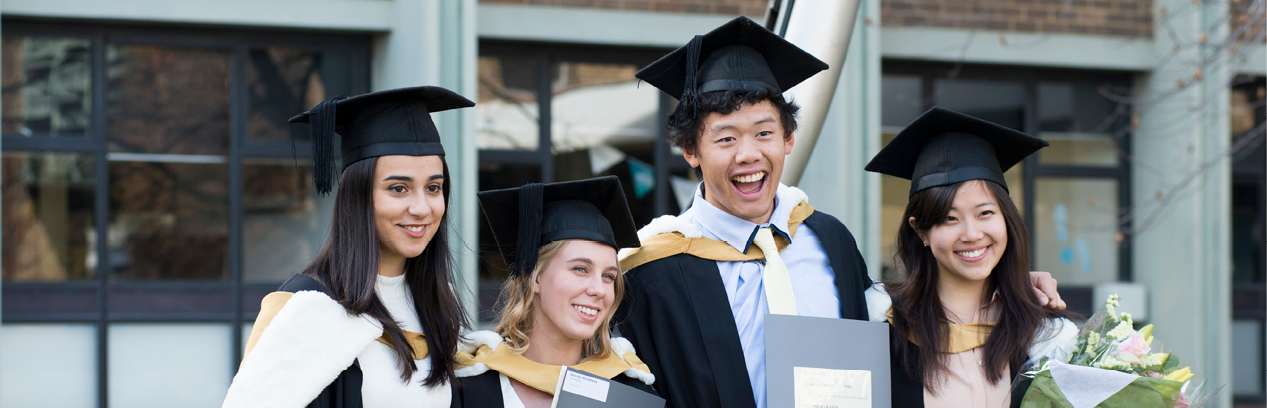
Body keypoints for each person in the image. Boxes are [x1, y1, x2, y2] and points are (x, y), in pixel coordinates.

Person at [616, 16, 1067, 408]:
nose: (748, 154)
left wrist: (1010, 286)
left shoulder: (828, 241)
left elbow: (911, 312)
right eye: (726, 138)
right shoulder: (649, 271)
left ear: (788, 140)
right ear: (692, 151)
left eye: (764, 132)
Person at [222, 86, 471, 408]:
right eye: (398, 188)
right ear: (358, 195)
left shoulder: (438, 303)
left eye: (433, 187)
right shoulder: (307, 307)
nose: (422, 208)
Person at [864, 107, 1079, 408]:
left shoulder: (1047, 337)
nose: (971, 233)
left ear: (1007, 219)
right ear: (920, 230)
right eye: (949, 219)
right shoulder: (878, 321)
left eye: (985, 213)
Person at [451, 176, 657, 408]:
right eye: (580, 269)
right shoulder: (468, 389)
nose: (599, 290)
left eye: (609, 276)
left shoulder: (629, 394)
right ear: (533, 276)